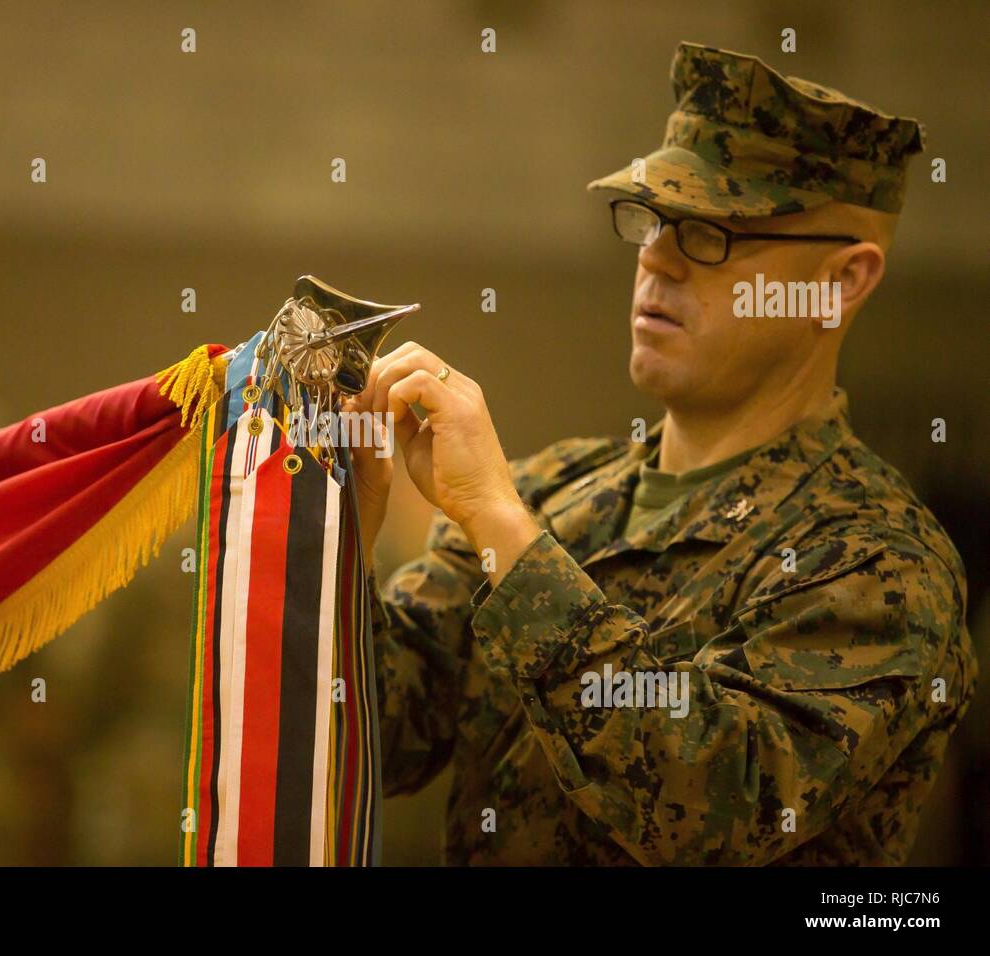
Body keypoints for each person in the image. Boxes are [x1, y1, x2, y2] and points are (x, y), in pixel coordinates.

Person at [345, 42, 977, 865]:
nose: (656, 257)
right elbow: (383, 737)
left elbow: (709, 803)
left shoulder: (877, 559)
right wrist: (343, 534)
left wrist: (498, 521)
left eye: (713, 231)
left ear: (842, 280)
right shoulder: (555, 488)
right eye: (651, 219)